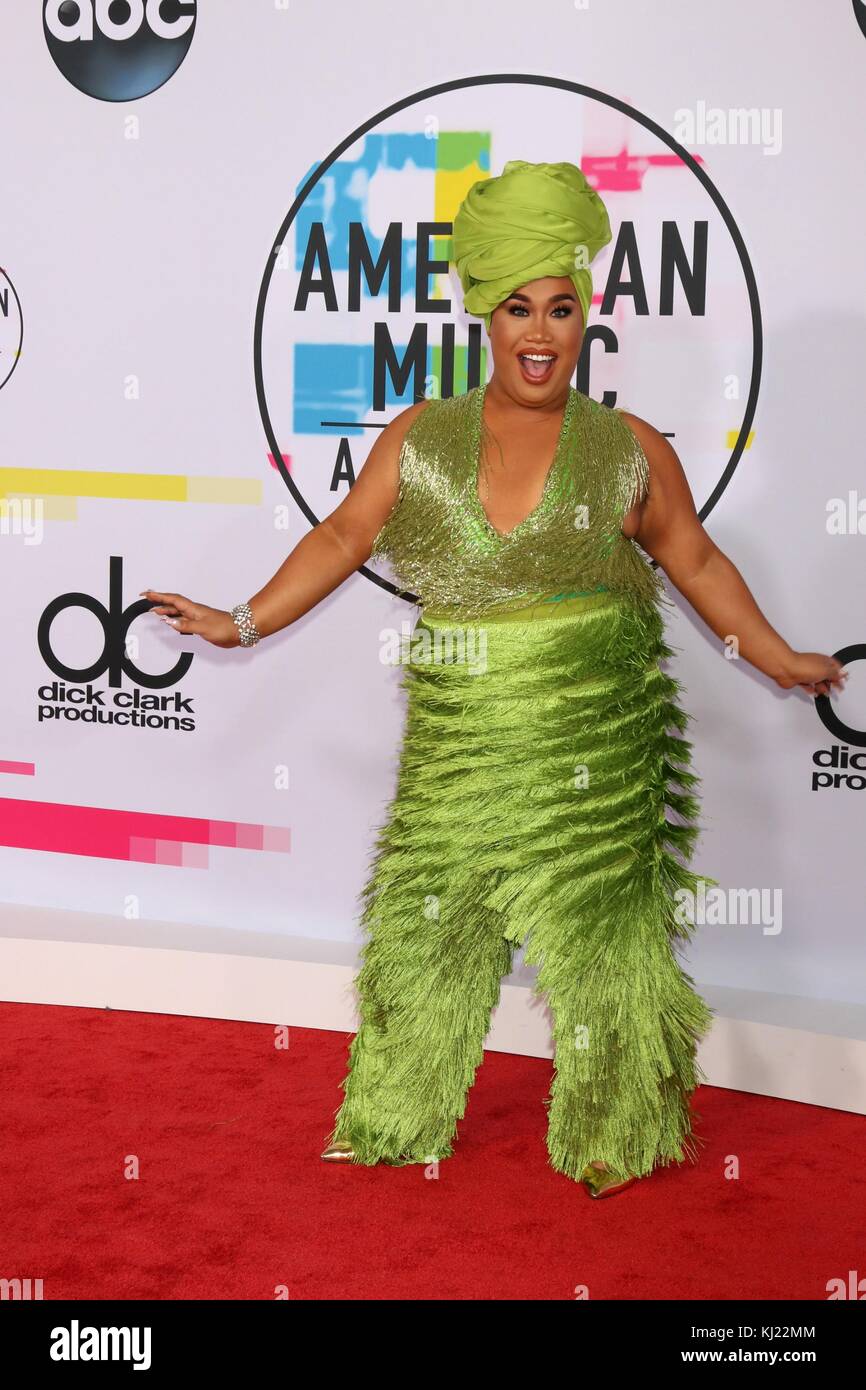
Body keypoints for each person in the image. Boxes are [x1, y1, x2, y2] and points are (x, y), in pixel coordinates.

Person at [141, 160, 845, 1200]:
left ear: (584, 318)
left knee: (609, 949)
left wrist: (777, 655)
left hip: (596, 760)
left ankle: (617, 1130)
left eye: (560, 308)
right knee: (425, 932)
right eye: (518, 305)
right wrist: (245, 620)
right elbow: (343, 532)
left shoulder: (628, 448)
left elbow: (693, 560)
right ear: (482, 311)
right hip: (460, 753)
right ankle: (393, 1115)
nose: (540, 330)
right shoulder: (420, 439)